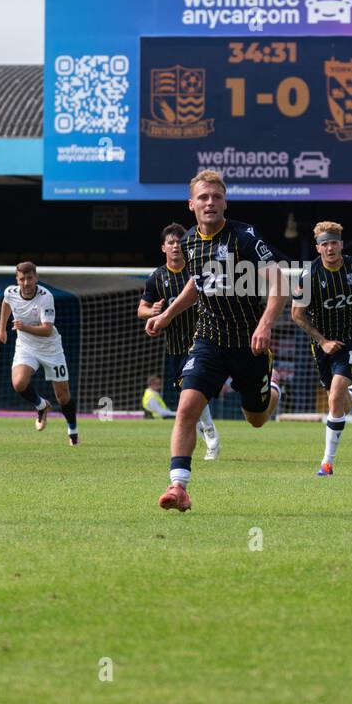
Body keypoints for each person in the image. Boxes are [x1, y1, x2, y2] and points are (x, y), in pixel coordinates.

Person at [146, 170, 288, 511]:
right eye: (204, 197)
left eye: (217, 197)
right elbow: (197, 284)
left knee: (255, 419)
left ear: (225, 202)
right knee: (186, 409)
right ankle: (178, 486)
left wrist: (265, 325)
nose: (210, 203)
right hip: (209, 339)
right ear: (191, 204)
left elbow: (280, 283)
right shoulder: (190, 242)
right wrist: (167, 315)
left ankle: (273, 393)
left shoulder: (244, 237)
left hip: (249, 342)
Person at [290, 221, 352, 476]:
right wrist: (322, 341)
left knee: (334, 399)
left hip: (351, 338)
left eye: (334, 242)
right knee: (340, 404)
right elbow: (297, 314)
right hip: (323, 344)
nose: (330, 248)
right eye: (324, 244)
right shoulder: (308, 275)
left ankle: (327, 463)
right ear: (318, 248)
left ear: (341, 244)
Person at [138, 223, 219, 459]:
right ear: (163, 248)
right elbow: (141, 310)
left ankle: (212, 438)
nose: (175, 246)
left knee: (193, 391)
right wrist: (151, 312)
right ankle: (205, 439)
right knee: (187, 397)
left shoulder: (196, 272)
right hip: (174, 346)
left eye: (178, 242)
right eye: (170, 243)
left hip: (202, 341)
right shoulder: (156, 277)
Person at [0, 261, 79, 445]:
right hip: (26, 347)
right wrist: (1, 328)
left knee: (63, 396)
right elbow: (6, 303)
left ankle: (73, 431)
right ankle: (41, 405)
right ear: (17, 280)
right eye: (22, 279)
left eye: (29, 278)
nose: (26, 283)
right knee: (18, 383)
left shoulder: (45, 297)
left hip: (51, 348)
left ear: (36, 278)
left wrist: (23, 326)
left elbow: (47, 329)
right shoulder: (10, 292)